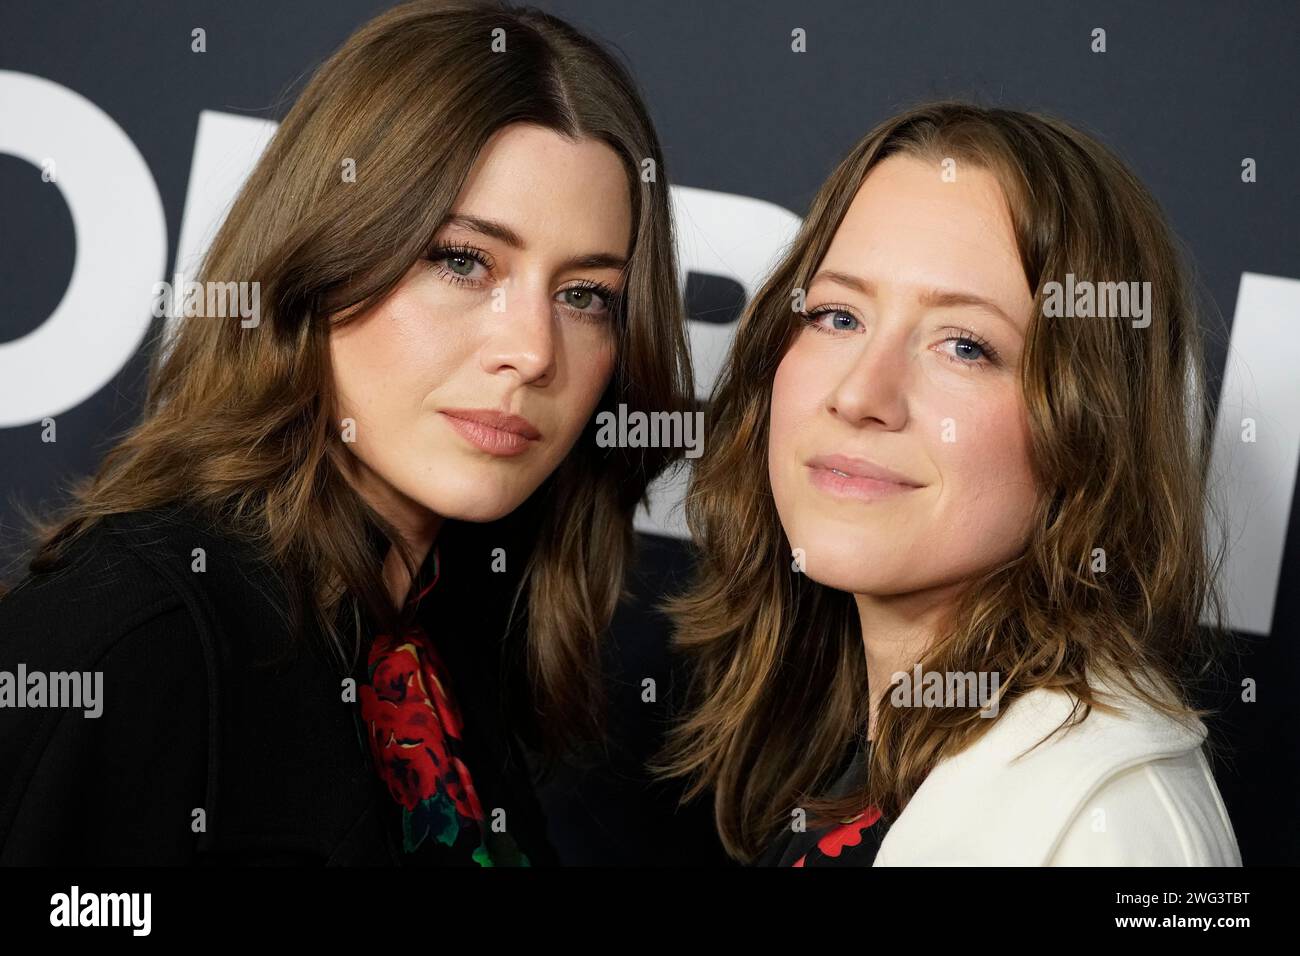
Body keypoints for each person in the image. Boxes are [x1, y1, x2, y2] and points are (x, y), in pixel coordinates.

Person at [0, 0, 692, 866]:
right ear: (320, 263)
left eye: (585, 294)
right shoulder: (135, 644)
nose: (531, 352)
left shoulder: (441, 638)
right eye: (462, 260)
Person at [653, 101, 1241, 866]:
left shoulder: (1117, 827)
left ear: (1090, 426)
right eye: (837, 315)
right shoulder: (868, 740)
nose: (862, 394)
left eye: (964, 345)